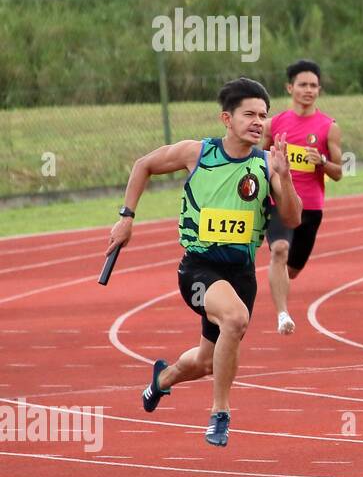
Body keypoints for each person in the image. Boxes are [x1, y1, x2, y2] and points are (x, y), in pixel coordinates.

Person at [110, 77, 300, 448]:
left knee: (206, 362)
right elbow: (143, 165)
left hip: (240, 275)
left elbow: (292, 219)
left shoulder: (266, 166)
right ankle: (220, 414)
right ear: (226, 119)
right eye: (249, 114)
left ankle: (161, 380)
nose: (258, 121)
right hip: (198, 269)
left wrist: (286, 176)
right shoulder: (198, 153)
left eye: (263, 115)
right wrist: (126, 217)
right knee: (235, 318)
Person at [263, 60, 343, 334]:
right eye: (302, 85)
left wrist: (322, 161)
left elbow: (339, 173)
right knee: (279, 251)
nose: (308, 90)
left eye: (313, 85)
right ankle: (282, 314)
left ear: (319, 89)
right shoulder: (273, 125)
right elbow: (258, 160)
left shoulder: (328, 127)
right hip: (280, 201)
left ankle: (279, 290)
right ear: (290, 87)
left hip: (310, 208)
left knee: (292, 270)